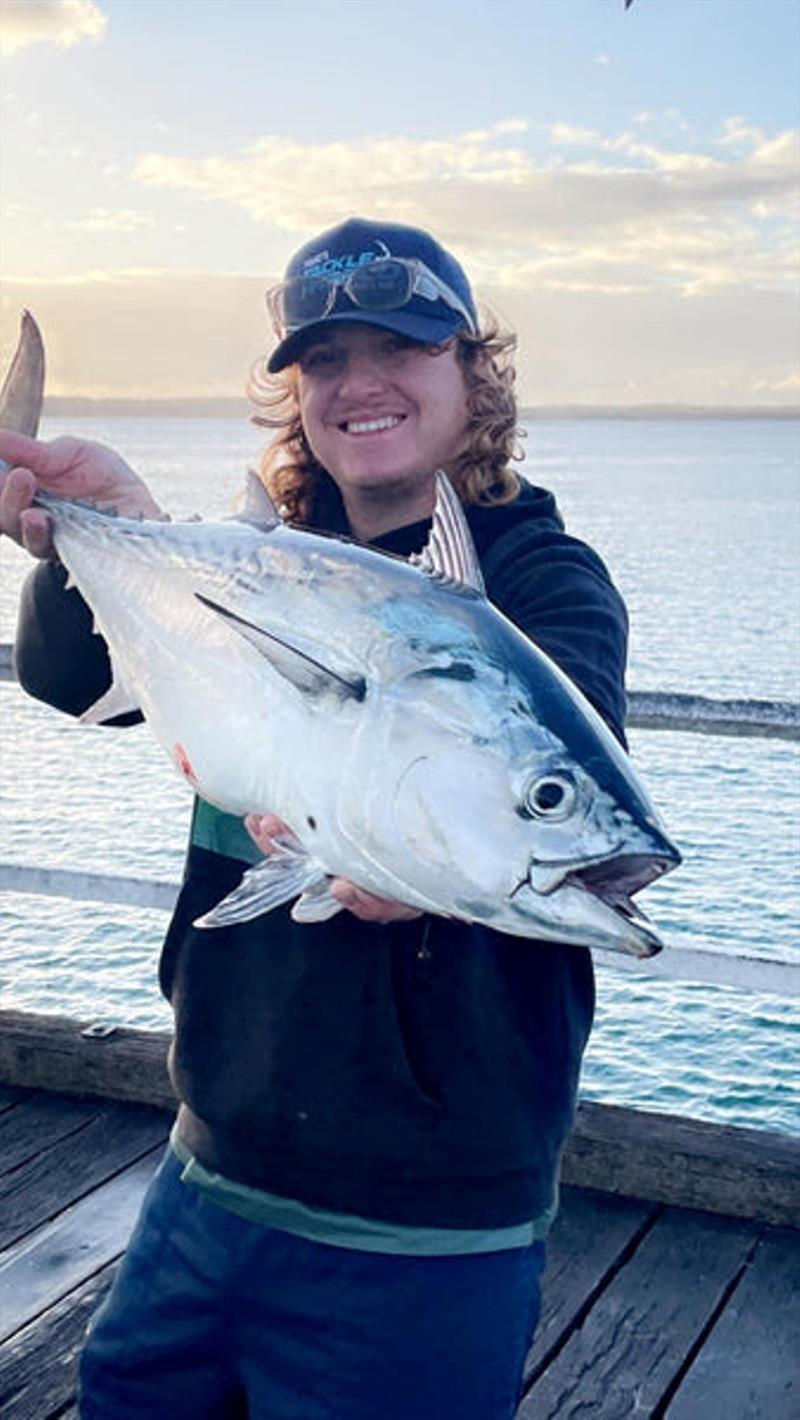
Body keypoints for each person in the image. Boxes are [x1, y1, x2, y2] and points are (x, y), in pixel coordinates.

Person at [0, 217, 629, 1420]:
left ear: (471, 374)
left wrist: (416, 845)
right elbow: (74, 681)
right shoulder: (259, 559)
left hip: (425, 1220)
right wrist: (91, 531)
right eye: (323, 361)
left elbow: (543, 765)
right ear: (297, 397)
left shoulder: (542, 579)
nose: (360, 384)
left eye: (400, 347)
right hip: (208, 1163)